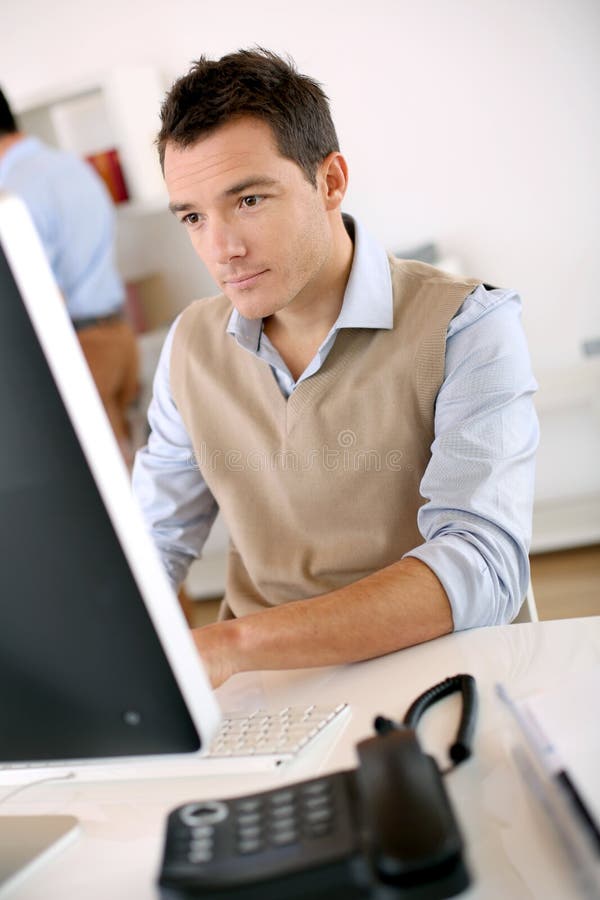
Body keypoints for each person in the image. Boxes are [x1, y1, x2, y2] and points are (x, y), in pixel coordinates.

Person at [132, 48, 539, 688]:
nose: (221, 249)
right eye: (193, 217)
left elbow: (482, 567)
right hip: (264, 687)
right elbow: (152, 542)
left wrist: (233, 644)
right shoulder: (190, 345)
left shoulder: (468, 325)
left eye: (249, 200)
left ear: (330, 181)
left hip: (439, 672)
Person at [0, 87, 138, 464]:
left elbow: (41, 295)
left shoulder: (13, 194)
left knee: (105, 480)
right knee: (132, 472)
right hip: (118, 336)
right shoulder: (71, 166)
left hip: (82, 351)